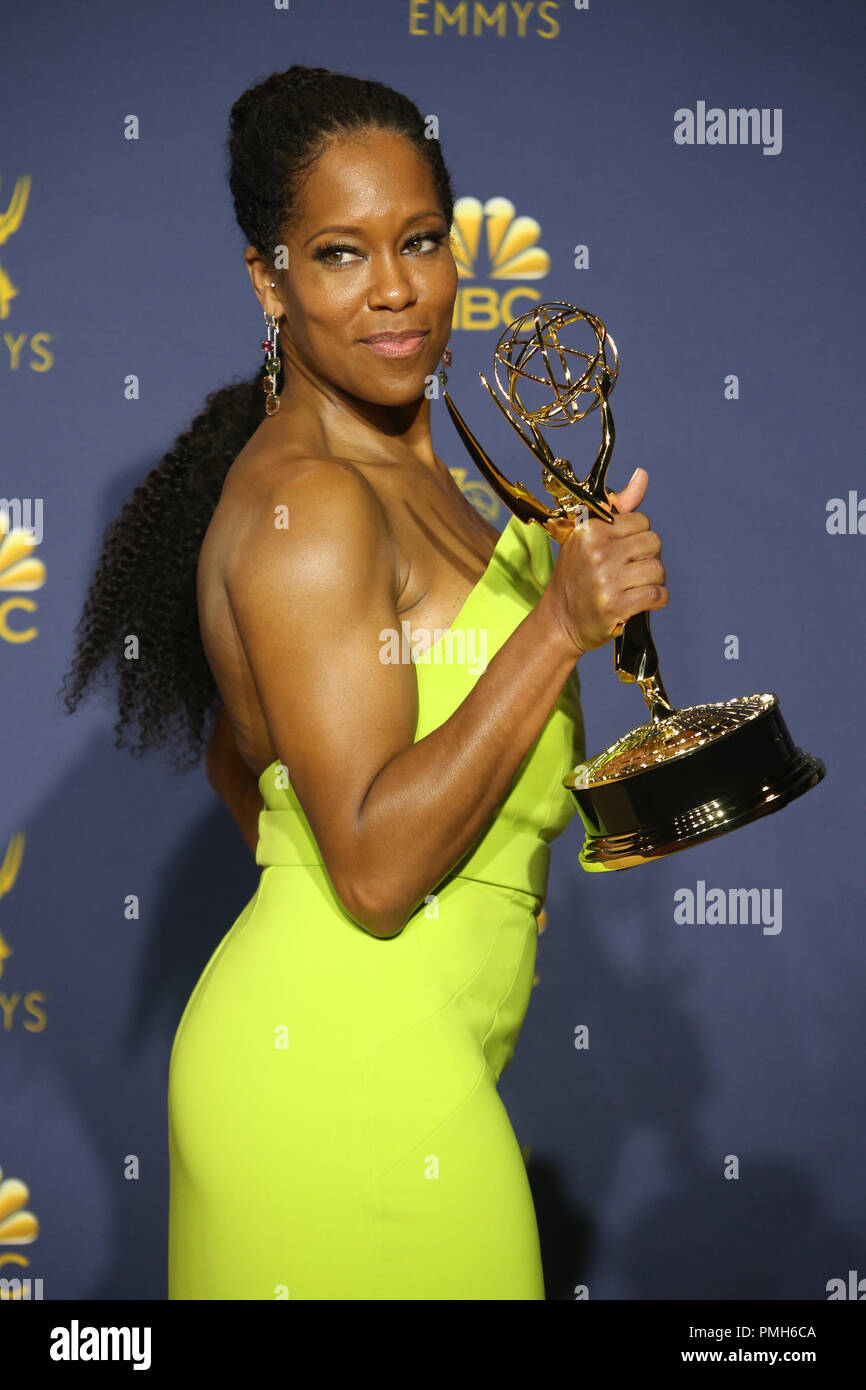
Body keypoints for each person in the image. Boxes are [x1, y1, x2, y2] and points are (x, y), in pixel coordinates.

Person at [62, 65, 667, 1300]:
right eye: (339, 253)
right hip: (343, 1087)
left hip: (400, 1056)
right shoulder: (313, 502)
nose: (394, 288)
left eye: (422, 241)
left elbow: (253, 760)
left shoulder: (426, 481)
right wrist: (554, 626)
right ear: (266, 278)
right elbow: (377, 872)